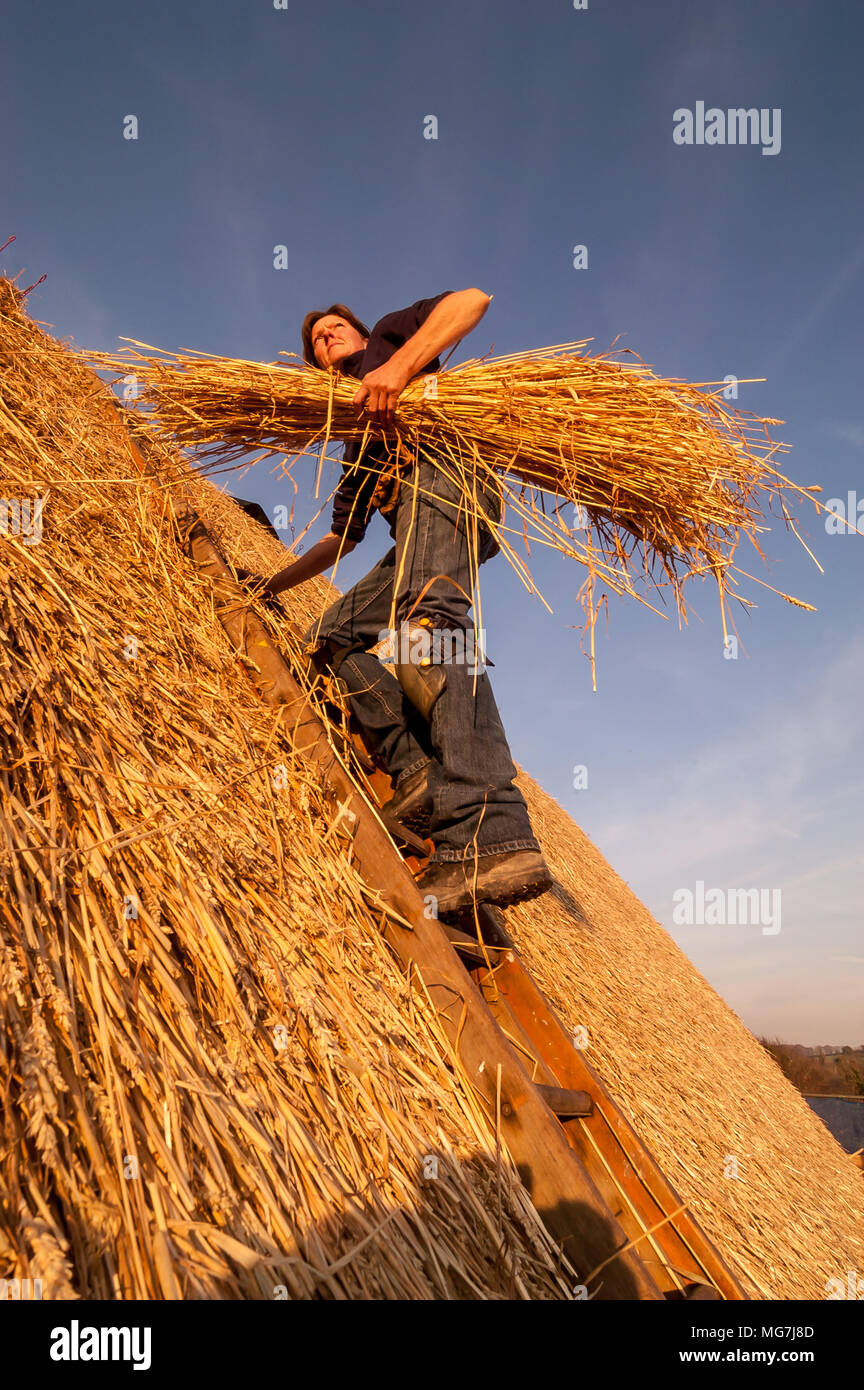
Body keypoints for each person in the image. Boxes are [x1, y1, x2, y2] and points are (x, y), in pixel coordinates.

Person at [251, 289, 552, 915]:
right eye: (316, 340)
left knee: (428, 630)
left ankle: (487, 832)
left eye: (336, 327)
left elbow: (473, 299)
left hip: (447, 484)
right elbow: (340, 540)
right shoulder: (355, 441)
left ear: (362, 336)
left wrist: (399, 365)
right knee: (335, 633)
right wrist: (267, 587)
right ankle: (415, 770)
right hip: (413, 525)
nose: (326, 336)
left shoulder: (390, 340)